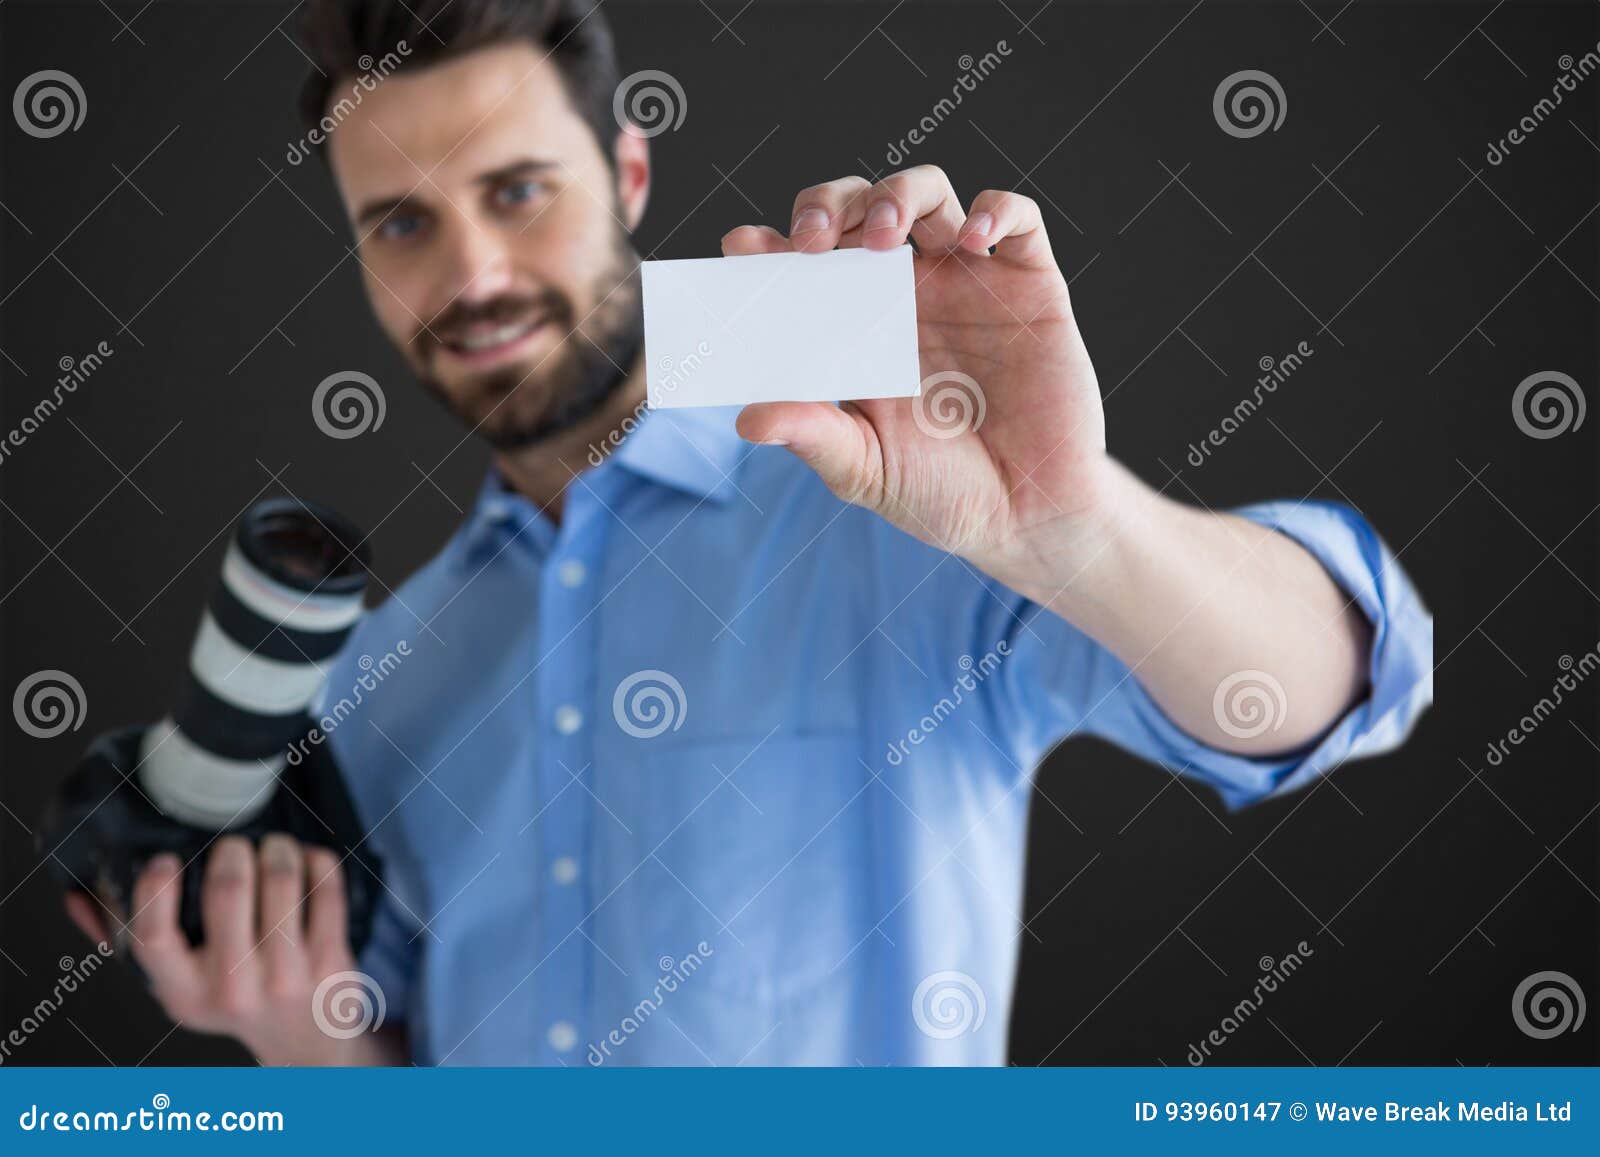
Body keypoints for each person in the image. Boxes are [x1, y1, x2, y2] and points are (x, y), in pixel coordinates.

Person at [66, 0, 1432, 1066]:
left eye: (518, 191)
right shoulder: (374, 683)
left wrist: (1070, 525)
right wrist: (305, 1046)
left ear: (628, 172)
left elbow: (1334, 690)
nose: (471, 272)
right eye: (402, 222)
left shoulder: (892, 523)